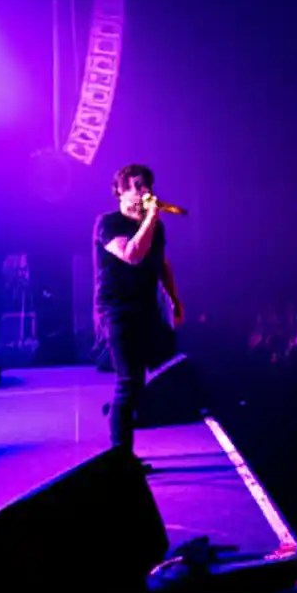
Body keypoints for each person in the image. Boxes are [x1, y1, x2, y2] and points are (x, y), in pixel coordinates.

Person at [94, 164, 184, 461]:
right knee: (128, 382)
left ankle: (124, 448)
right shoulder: (108, 223)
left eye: (146, 185)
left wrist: (174, 299)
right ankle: (121, 458)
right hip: (117, 311)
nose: (144, 191)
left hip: (145, 309)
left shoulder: (155, 228)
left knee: (138, 383)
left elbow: (162, 264)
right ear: (120, 191)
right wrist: (152, 218)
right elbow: (131, 255)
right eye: (136, 186)